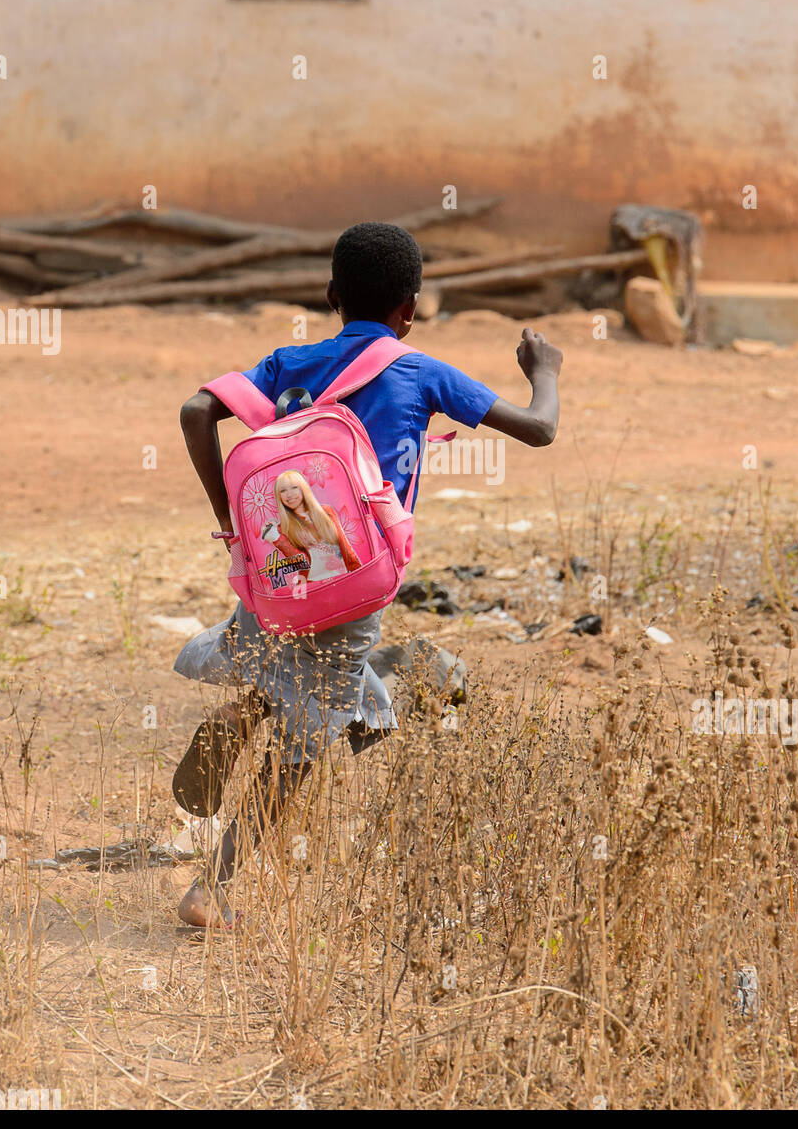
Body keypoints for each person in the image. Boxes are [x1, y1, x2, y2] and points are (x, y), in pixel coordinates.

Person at [172, 221, 563, 928]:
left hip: (277, 571)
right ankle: (211, 890)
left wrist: (232, 526)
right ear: (409, 310)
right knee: (309, 742)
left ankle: (247, 711)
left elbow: (197, 410)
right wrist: (547, 372)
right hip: (353, 585)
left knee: (331, 695)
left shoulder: (288, 361)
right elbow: (540, 429)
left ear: (331, 295)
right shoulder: (421, 372)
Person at [258, 470, 361, 583]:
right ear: (279, 496)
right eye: (283, 490)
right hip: (312, 585)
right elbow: (301, 563)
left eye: (294, 487)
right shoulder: (282, 529)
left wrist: (359, 571)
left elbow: (344, 545)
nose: (289, 494)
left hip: (344, 577)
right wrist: (276, 538)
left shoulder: (326, 511)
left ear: (303, 488)